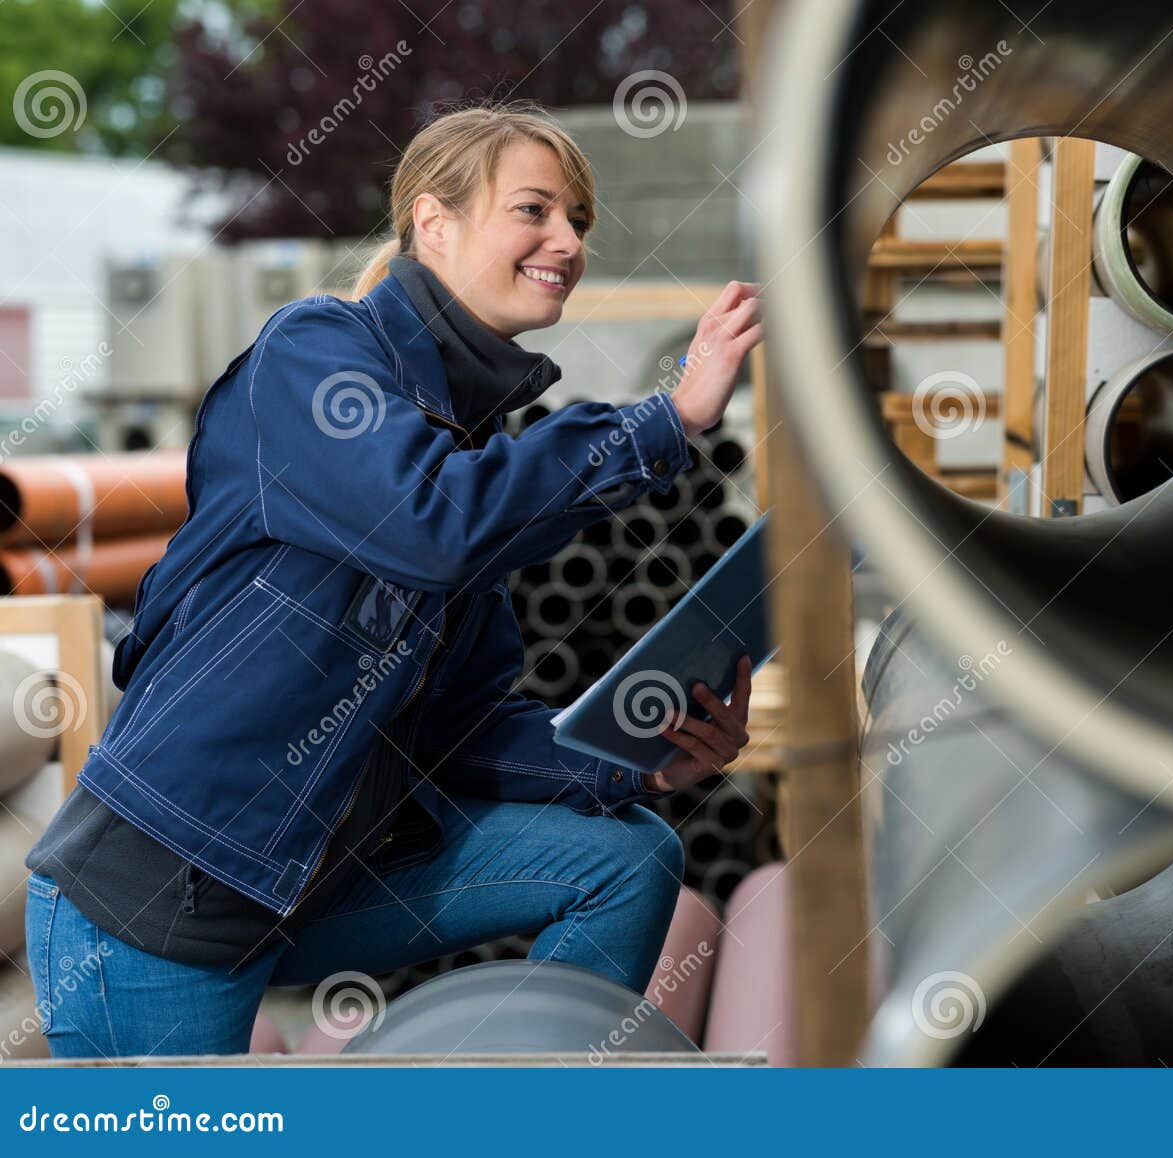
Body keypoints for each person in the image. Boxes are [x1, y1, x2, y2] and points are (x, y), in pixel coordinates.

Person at [22, 100, 764, 1059]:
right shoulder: (314, 355)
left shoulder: (464, 439)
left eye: (579, 220)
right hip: (165, 905)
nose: (567, 240)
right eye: (535, 210)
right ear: (433, 221)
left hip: (309, 878)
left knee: (625, 857)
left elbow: (455, 726)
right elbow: (427, 523)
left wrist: (635, 754)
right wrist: (663, 421)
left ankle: (530, 1106)